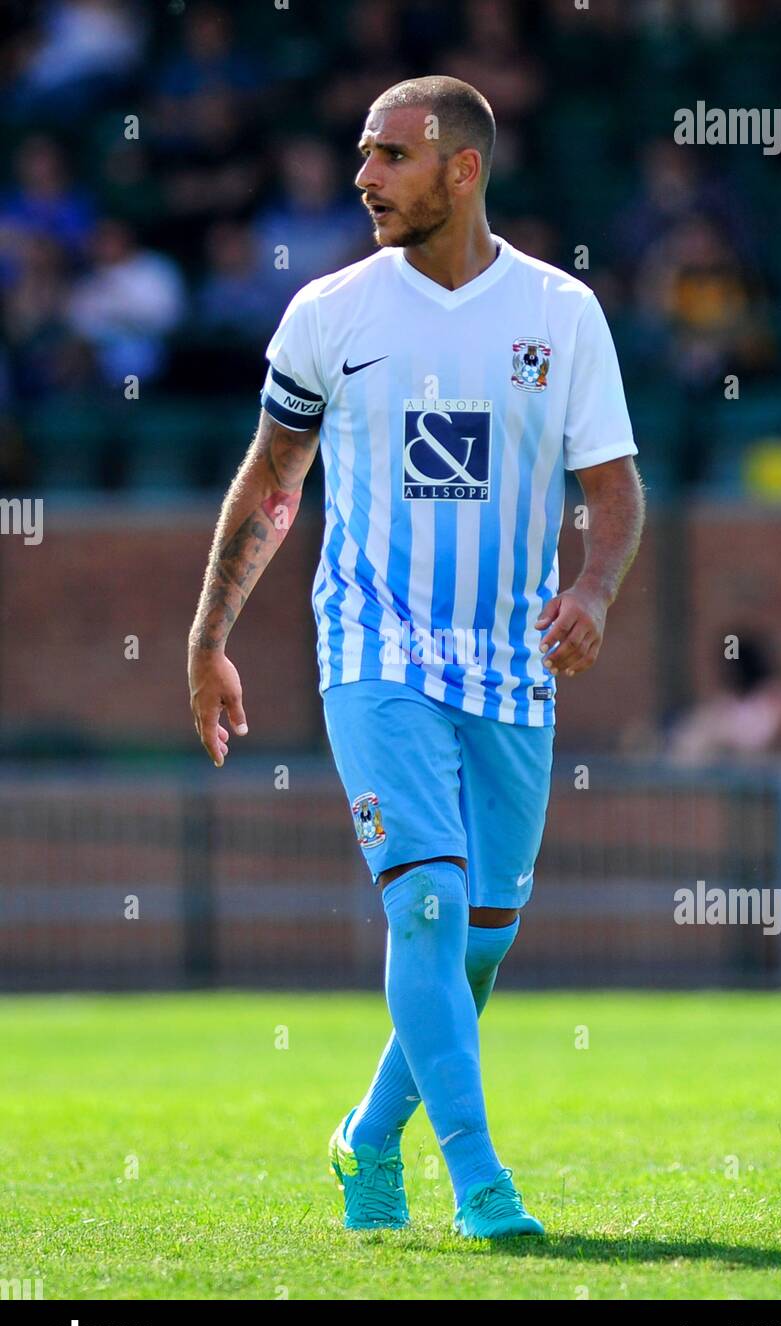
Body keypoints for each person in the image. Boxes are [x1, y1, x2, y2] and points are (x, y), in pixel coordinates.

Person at [188, 75, 644, 1239]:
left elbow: (612, 488)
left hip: (511, 661)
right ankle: (480, 1182)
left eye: (389, 157)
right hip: (374, 646)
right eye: (360, 154)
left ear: (461, 168)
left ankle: (363, 1135)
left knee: (480, 940)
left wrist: (591, 586)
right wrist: (208, 634)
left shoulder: (561, 311)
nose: (363, 178)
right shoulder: (330, 313)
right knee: (430, 911)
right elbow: (272, 482)